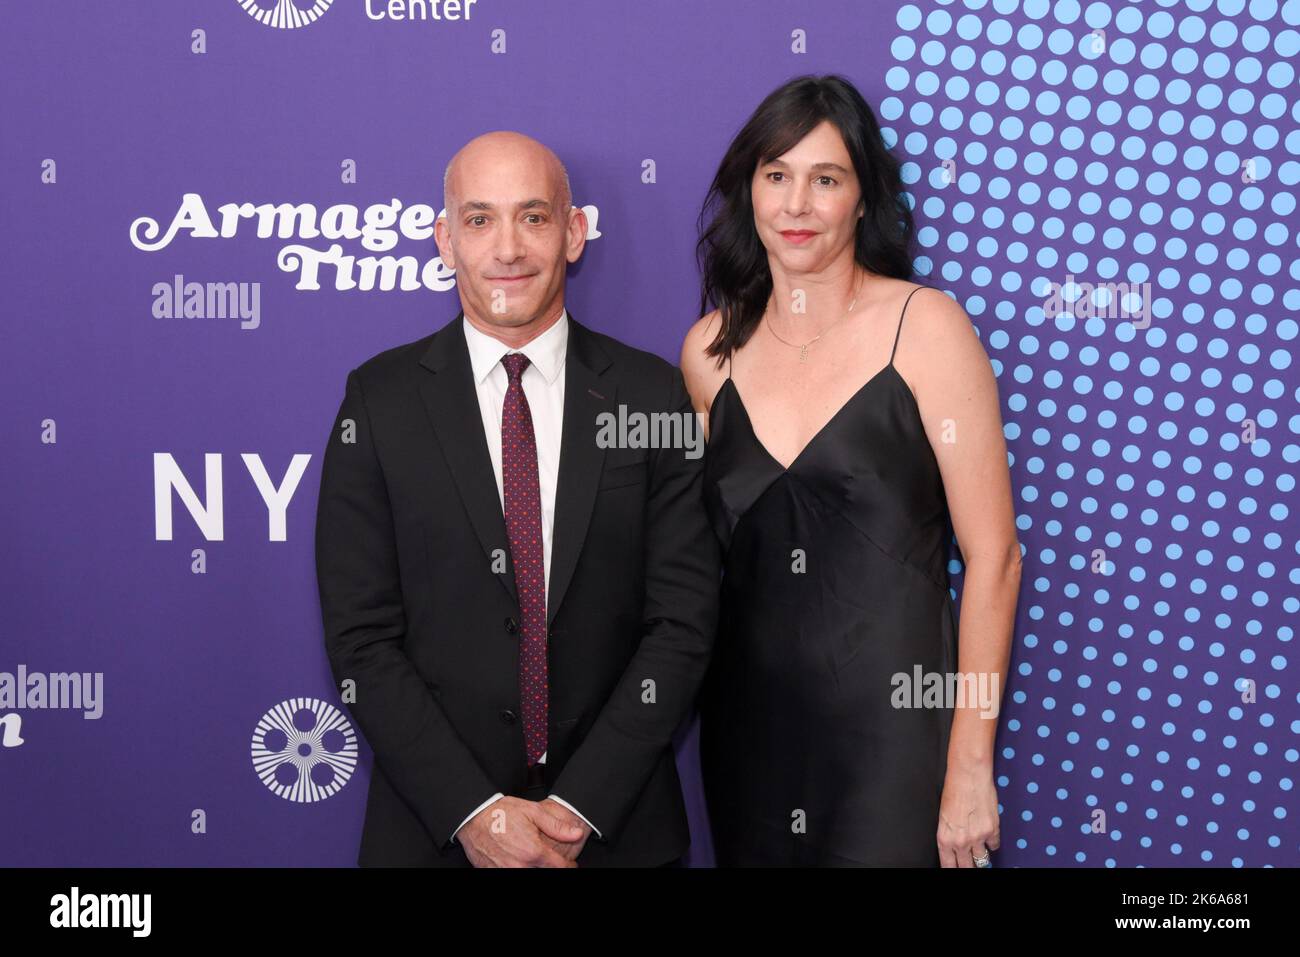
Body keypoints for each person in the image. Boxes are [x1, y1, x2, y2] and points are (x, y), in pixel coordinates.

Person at [316, 131, 719, 867]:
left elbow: (683, 623)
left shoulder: (650, 393)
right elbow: (360, 639)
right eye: (479, 220)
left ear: (574, 233)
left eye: (533, 217)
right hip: (435, 835)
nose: (508, 248)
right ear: (446, 241)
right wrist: (473, 813)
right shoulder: (377, 402)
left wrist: (578, 807)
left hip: (617, 832)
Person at [680, 75, 1021, 867]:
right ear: (749, 191)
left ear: (863, 199)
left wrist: (970, 762)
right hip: (749, 735)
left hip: (893, 739)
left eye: (826, 179)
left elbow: (995, 558)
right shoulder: (708, 352)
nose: (796, 205)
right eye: (777, 175)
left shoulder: (925, 327)